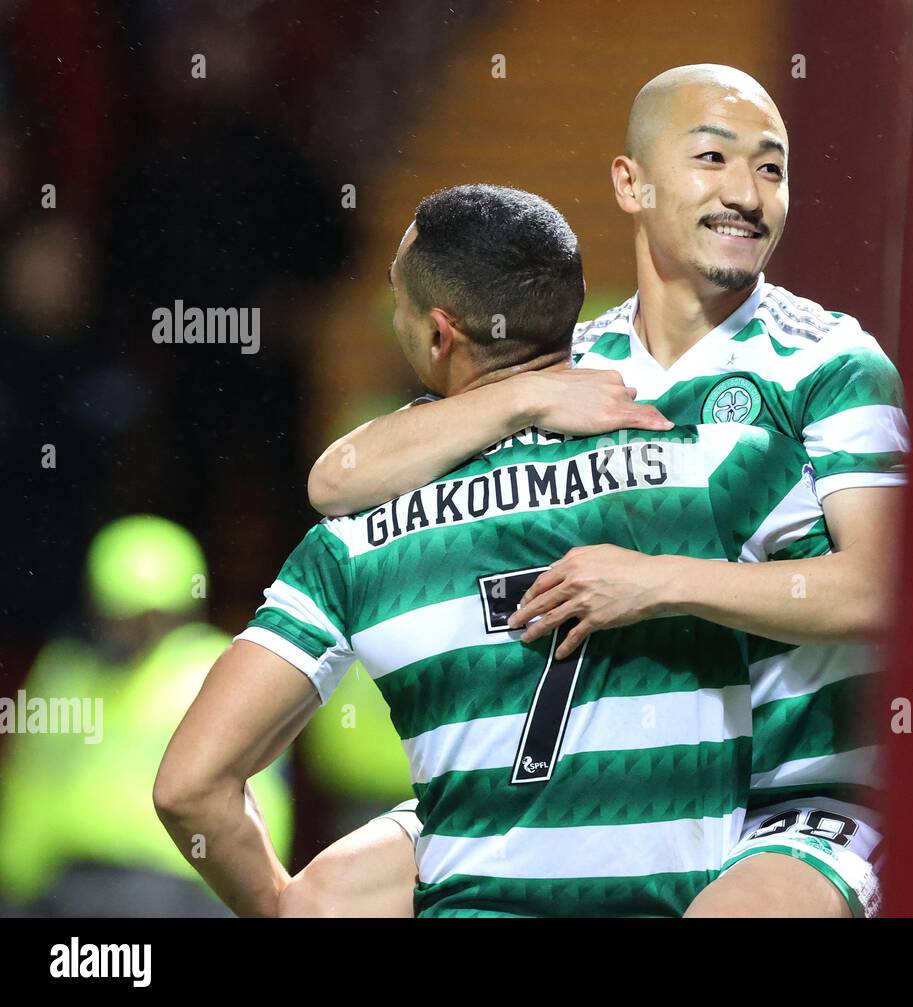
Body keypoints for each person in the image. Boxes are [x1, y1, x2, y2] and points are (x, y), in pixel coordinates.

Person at [301, 64, 907, 917]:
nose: (746, 192)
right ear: (631, 181)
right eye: (713, 158)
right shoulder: (570, 364)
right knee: (324, 896)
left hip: (788, 802)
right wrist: (518, 396)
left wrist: (649, 580)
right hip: (607, 788)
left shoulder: (830, 362)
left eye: (771, 168)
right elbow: (340, 479)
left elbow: (882, 590)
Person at [156, 184, 847, 917]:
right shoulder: (708, 462)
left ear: (438, 335)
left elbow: (190, 787)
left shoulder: (355, 535)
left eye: (399, 300)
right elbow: (862, 597)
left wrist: (277, 908)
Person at [0, 515, 292, 917]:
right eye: (118, 615)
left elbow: (259, 796)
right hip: (66, 884)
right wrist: (15, 885)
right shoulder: (65, 670)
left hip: (181, 888)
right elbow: (31, 782)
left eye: (149, 617)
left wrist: (252, 895)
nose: (131, 630)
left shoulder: (215, 665)